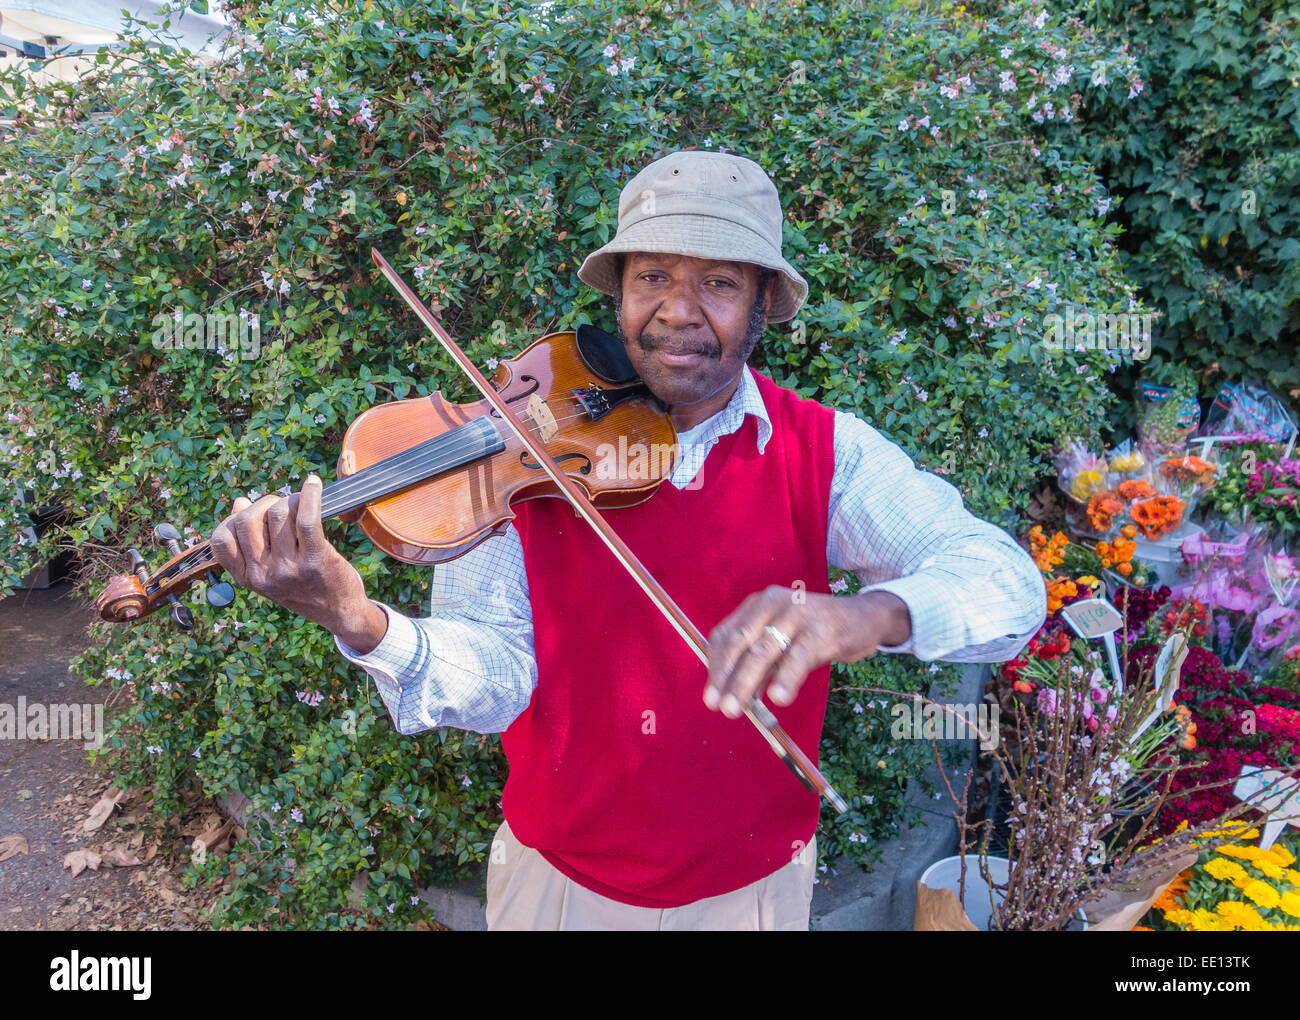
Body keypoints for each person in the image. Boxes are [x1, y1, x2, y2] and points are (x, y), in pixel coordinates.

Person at [210, 149, 1047, 931]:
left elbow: (1009, 589)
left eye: (718, 283)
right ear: (618, 292)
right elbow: (498, 678)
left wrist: (872, 614)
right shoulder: (519, 458)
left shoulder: (824, 451)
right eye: (651, 277)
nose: (677, 312)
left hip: (752, 895)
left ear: (764, 304)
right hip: (557, 888)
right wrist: (360, 623)